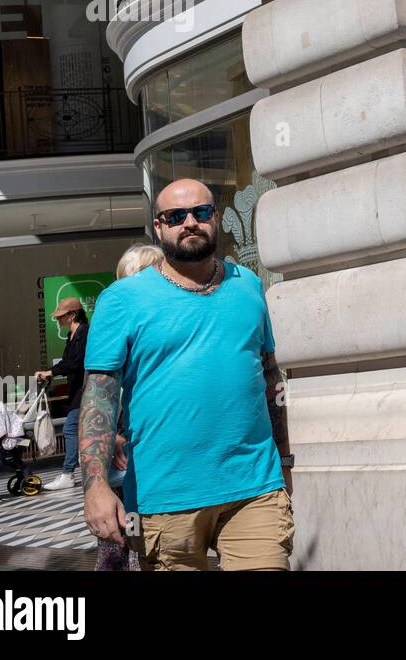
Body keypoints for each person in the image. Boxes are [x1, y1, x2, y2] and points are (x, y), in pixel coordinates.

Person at [79, 178, 294, 571]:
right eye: (175, 216)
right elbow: (99, 399)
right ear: (159, 227)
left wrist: (285, 462)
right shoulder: (122, 300)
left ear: (216, 219)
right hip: (165, 498)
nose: (190, 222)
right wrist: (94, 485)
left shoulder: (248, 286)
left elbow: (269, 379)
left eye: (201, 212)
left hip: (254, 488)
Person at [92, 242, 163, 572]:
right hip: (125, 460)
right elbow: (102, 395)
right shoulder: (117, 319)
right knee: (119, 545)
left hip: (148, 463)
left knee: (130, 547)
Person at [36, 296, 88, 490]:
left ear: (72, 315)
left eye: (61, 316)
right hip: (77, 390)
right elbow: (67, 361)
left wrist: (51, 372)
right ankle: (83, 467)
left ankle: (67, 474)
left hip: (86, 389)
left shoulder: (84, 333)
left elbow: (76, 363)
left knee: (70, 428)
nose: (57, 319)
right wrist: (50, 371)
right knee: (81, 430)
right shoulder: (72, 335)